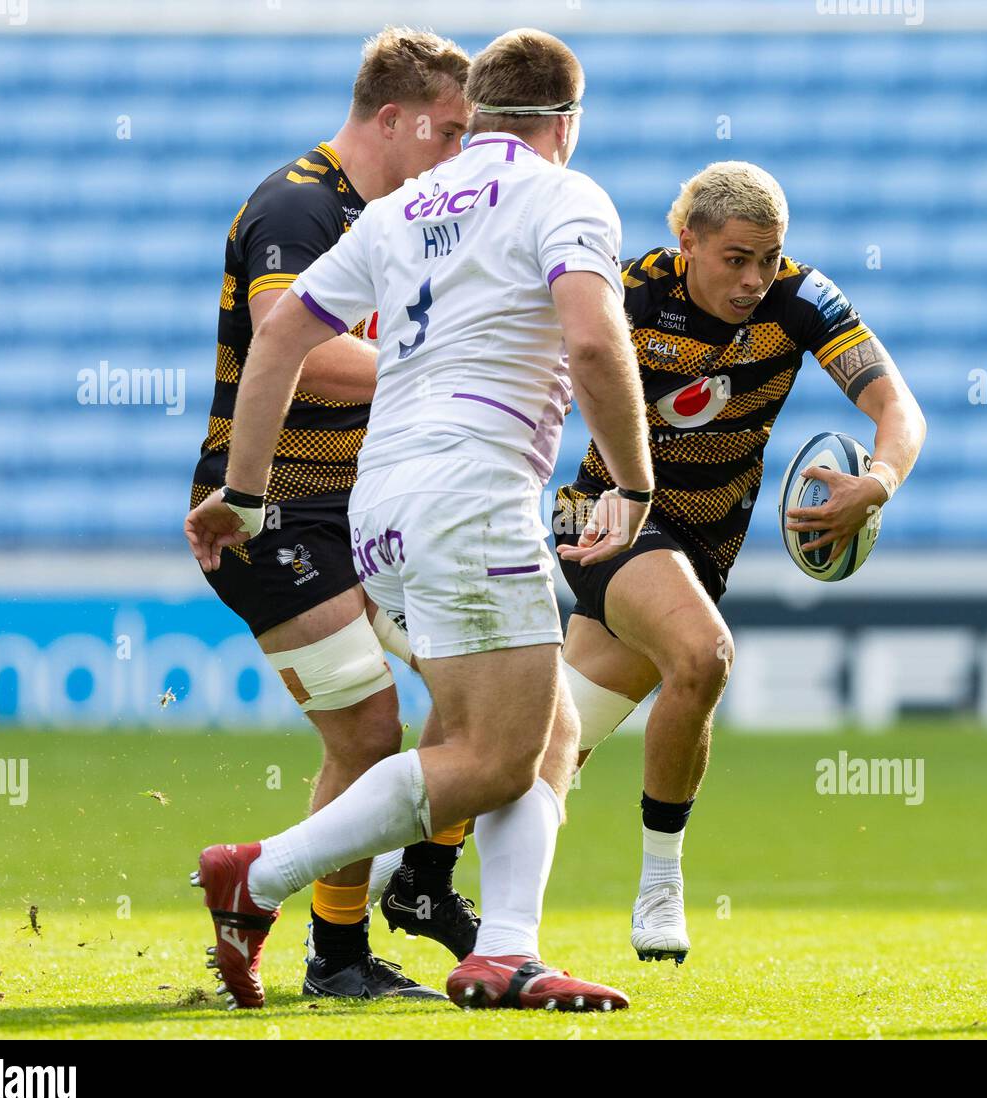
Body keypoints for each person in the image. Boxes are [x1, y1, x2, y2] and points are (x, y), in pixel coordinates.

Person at [185, 29, 654, 1012]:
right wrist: (631, 479)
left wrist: (242, 490)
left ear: (476, 116)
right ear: (566, 122)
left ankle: (506, 949)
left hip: (377, 501)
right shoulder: (566, 195)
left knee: (542, 721)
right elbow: (595, 341)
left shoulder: (401, 210)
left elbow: (278, 340)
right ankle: (258, 874)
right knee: (492, 755)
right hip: (471, 492)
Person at [552, 161, 927, 964]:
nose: (756, 278)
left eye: (769, 257)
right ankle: (660, 886)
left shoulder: (801, 299)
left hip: (701, 548)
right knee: (704, 651)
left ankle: (394, 868)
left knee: (540, 751)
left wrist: (879, 482)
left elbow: (897, 405)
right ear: (687, 241)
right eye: (735, 259)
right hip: (608, 518)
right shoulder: (632, 295)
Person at [185, 27, 477, 1001]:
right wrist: (434, 363)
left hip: (363, 509)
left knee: (490, 694)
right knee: (367, 733)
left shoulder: (403, 217)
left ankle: (415, 887)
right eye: (445, 131)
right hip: (263, 512)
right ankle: (333, 953)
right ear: (390, 117)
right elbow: (290, 348)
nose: (456, 152)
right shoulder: (300, 206)